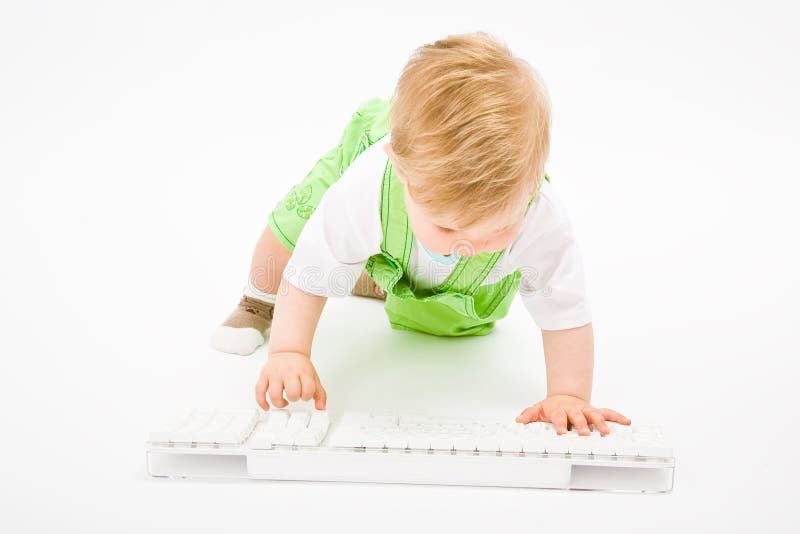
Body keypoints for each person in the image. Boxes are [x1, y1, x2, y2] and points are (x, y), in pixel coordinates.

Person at [212, 31, 630, 435]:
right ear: (400, 169)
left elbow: (566, 311)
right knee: (292, 231)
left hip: (422, 255)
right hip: (360, 188)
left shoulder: (541, 215)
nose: (471, 246)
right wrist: (289, 352)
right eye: (448, 226)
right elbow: (308, 271)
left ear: (533, 181)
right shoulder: (366, 185)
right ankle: (257, 302)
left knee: (447, 318)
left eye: (501, 227)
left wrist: (569, 394)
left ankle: (376, 273)